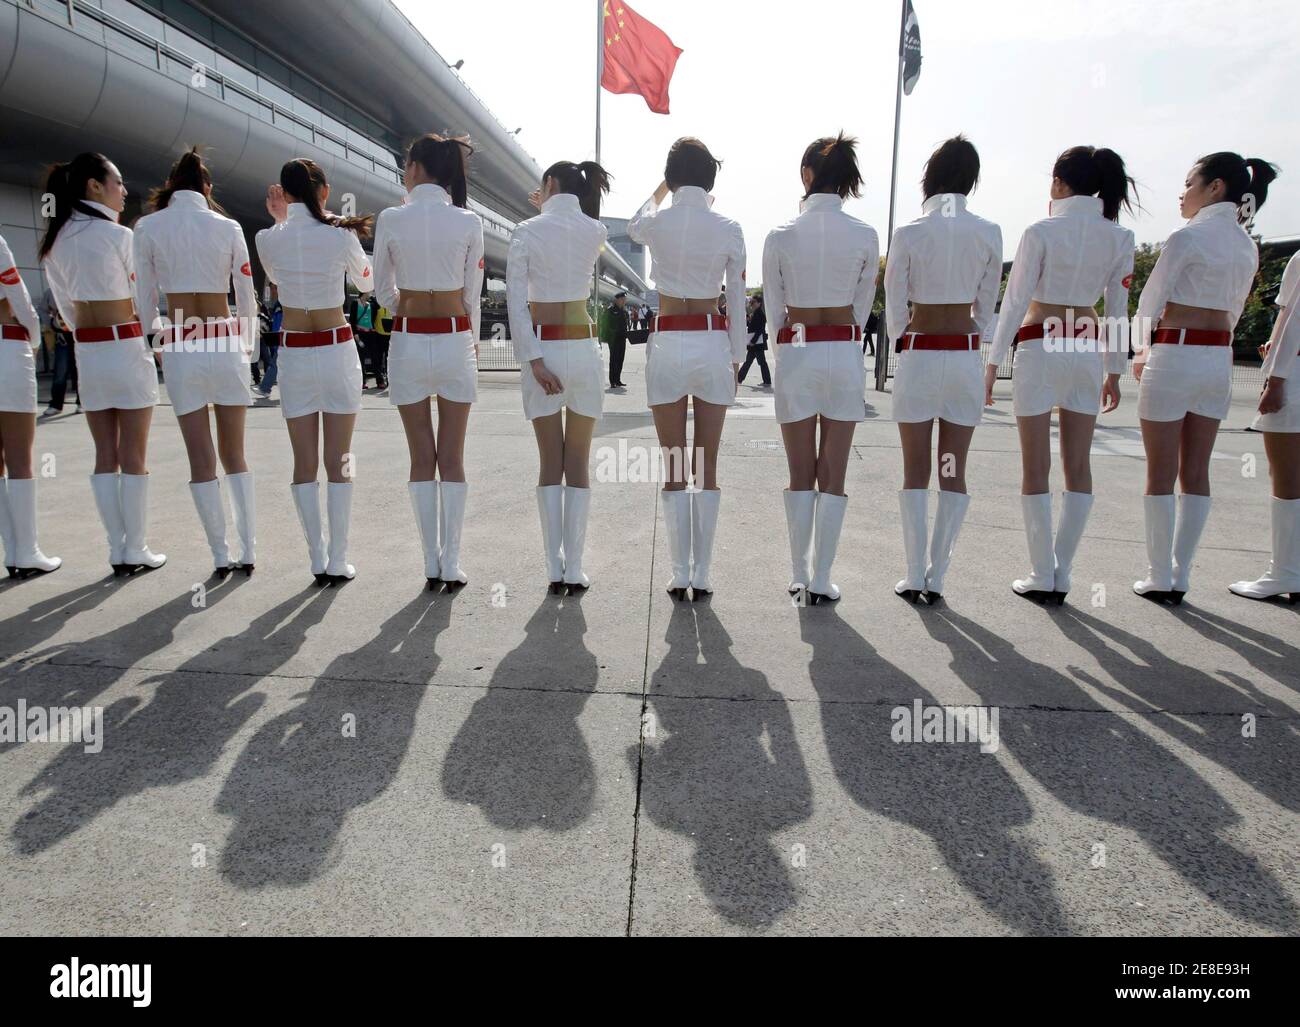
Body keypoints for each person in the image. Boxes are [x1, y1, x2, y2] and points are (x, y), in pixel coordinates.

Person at [984, 146, 1137, 604]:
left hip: (1040, 342)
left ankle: (1041, 571)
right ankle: (1063, 571)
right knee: (1079, 463)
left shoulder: (1041, 231)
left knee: (1036, 463)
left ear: (1058, 183)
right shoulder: (1120, 237)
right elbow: (1118, 309)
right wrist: (1114, 370)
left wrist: (992, 365)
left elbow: (1014, 301)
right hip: (1087, 347)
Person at [1132, 152, 1277, 603]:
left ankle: (1160, 575)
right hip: (1217, 361)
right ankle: (1181, 573)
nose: (1182, 191)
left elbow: (1148, 304)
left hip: (1174, 356)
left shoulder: (1186, 237)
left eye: (1189, 182)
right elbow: (1233, 313)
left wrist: (1139, 351)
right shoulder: (1245, 244)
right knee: (1196, 471)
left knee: (1160, 472)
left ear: (1215, 187)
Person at [885, 135, 1002, 604]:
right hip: (962, 355)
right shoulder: (988, 231)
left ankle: (915, 574)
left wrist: (899, 335)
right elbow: (990, 298)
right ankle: (938, 576)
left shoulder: (911, 231)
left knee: (916, 467)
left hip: (920, 350)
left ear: (930, 177)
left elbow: (895, 297)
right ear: (970, 179)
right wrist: (978, 327)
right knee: (952, 466)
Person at [629, 137, 747, 601]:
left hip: (668, 341)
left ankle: (681, 573)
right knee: (708, 460)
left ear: (672, 175)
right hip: (713, 339)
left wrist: (661, 188)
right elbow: (735, 297)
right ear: (711, 179)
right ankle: (703, 571)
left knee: (675, 459)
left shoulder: (658, 221)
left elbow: (635, 221)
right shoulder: (728, 225)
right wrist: (736, 356)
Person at [763, 133, 878, 604]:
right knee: (835, 468)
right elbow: (863, 305)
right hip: (845, 352)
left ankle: (798, 572)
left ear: (807, 176)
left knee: (799, 468)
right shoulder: (866, 235)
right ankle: (823, 577)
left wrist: (782, 350)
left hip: (799, 349)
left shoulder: (781, 234)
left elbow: (774, 309)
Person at [41, 152, 167, 576]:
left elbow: (66, 311)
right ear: (95, 186)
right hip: (125, 344)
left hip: (88, 350)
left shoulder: (55, 239)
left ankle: (117, 549)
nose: (124, 190)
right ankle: (137, 547)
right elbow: (144, 297)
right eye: (117, 181)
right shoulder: (117, 236)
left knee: (104, 454)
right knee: (133, 452)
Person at [133, 147, 257, 577]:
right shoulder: (228, 226)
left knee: (200, 457)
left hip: (182, 339)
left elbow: (144, 296)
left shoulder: (147, 227)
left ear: (171, 185)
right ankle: (248, 550)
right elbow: (245, 292)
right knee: (235, 453)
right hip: (225, 339)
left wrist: (156, 339)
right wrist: (250, 348)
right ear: (207, 187)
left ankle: (220, 555)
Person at [373, 133, 482, 591]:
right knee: (452, 457)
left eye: (405, 162)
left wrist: (404, 302)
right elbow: (471, 298)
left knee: (421, 456)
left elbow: (380, 290)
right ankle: (450, 561)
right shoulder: (468, 221)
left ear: (416, 167)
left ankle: (429, 563)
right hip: (456, 339)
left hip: (410, 340)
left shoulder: (391, 217)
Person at [256, 157, 373, 585]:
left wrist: (279, 221)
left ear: (283, 194)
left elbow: (275, 278)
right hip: (336, 348)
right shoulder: (339, 233)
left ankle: (317, 558)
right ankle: (338, 558)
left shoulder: (268, 238)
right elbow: (365, 283)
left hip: (294, 353)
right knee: (338, 458)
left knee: (303, 461)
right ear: (322, 191)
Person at [507, 158, 610, 594]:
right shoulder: (596, 231)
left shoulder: (526, 231)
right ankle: (576, 568)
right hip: (584, 348)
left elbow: (515, 301)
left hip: (544, 348)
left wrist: (532, 360)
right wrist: (548, 202)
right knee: (578, 463)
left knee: (551, 462)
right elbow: (573, 223)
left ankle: (555, 568)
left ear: (549, 184)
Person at [1231, 248, 1300, 602]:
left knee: (1286, 478)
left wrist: (1274, 379)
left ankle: (1285, 572)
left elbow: (1292, 320)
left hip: (1295, 382)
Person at [0, 234, 61, 577]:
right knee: (20, 456)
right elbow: (19, 299)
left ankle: (13, 552)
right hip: (7, 346)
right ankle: (28, 550)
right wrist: (35, 340)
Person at [42, 294, 79, 416]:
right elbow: (42, 309)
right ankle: (56, 404)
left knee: (81, 371)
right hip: (62, 337)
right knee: (60, 373)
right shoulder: (50, 292)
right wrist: (51, 322)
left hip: (79, 336)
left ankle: (82, 402)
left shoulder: (77, 286)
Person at [738, 294, 770, 386]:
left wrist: (753, 341)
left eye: (753, 302)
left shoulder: (759, 314)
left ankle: (767, 381)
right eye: (751, 302)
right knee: (749, 361)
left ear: (759, 303)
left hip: (757, 343)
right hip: (755, 342)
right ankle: (739, 379)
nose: (751, 303)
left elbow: (759, 330)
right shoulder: (756, 313)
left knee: (761, 362)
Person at [254, 292, 281, 398]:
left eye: (274, 288)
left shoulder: (281, 303)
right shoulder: (280, 303)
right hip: (280, 337)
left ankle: (265, 388)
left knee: (274, 363)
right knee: (275, 363)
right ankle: (265, 387)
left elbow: (279, 321)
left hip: (281, 337)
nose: (273, 291)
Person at [602, 291, 629, 389]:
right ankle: (612, 381)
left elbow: (626, 326)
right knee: (613, 360)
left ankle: (618, 380)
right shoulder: (610, 310)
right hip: (613, 340)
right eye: (622, 299)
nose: (624, 301)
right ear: (617, 300)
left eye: (625, 300)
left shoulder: (624, 311)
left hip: (622, 339)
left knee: (620, 359)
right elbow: (604, 324)